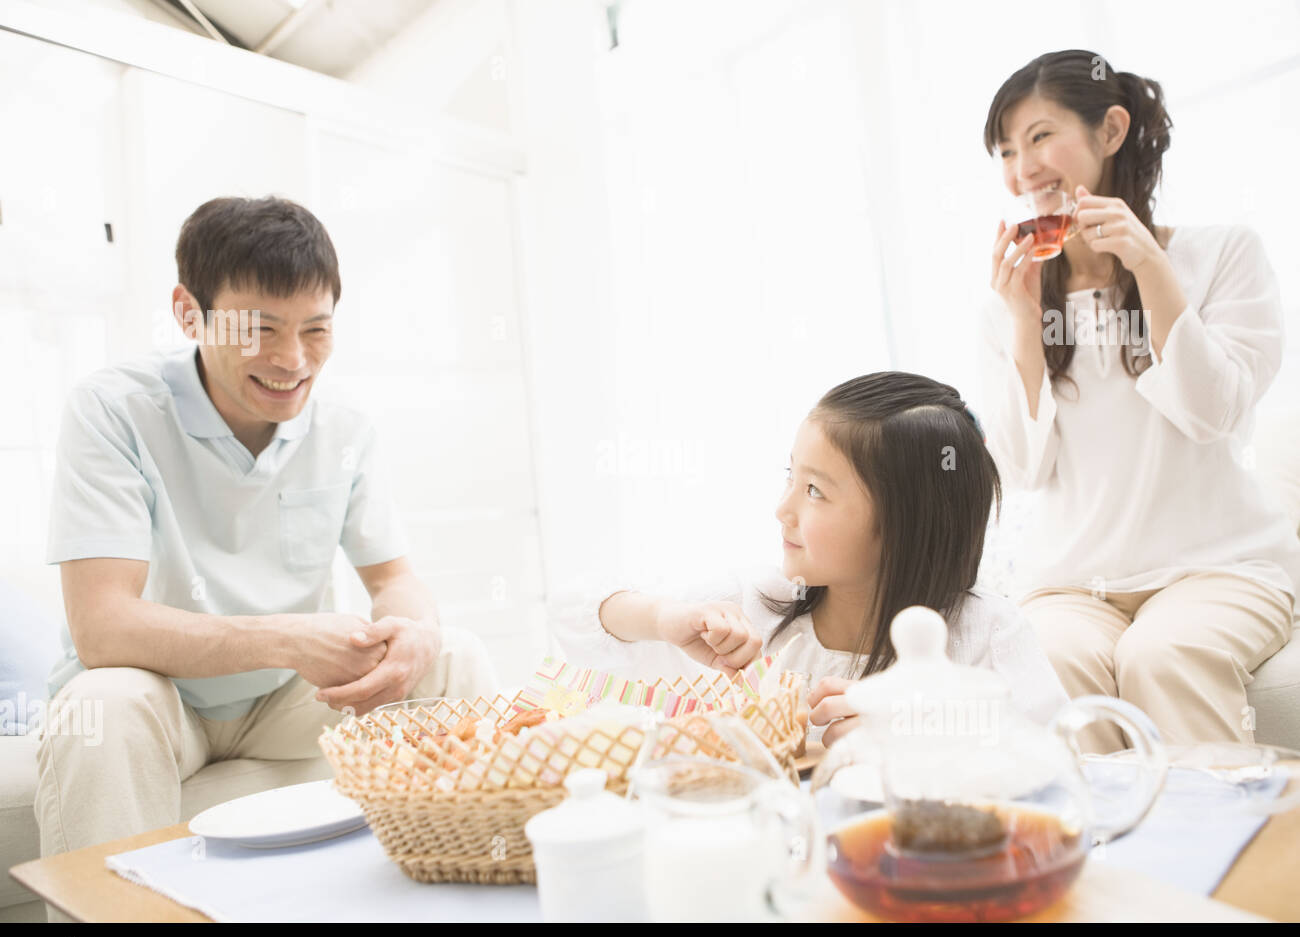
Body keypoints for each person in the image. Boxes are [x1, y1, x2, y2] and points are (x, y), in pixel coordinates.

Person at [35, 196, 498, 858]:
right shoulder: (114, 411)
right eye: (258, 330)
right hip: (160, 697)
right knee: (103, 708)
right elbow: (102, 627)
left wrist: (414, 633)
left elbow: (394, 578)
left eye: (316, 330)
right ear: (188, 313)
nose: (292, 362)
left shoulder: (343, 425)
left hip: (282, 700)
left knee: (455, 655)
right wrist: (287, 639)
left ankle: (476, 879)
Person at [980, 50, 1300, 753]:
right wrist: (1024, 328)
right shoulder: (1012, 299)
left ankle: (1236, 857)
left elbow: (1212, 411)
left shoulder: (1223, 256)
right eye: (1005, 149)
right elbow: (1022, 470)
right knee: (1049, 663)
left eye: (1038, 136)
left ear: (1112, 130)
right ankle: (1101, 855)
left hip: (1216, 565)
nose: (1020, 167)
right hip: (1072, 582)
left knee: (1162, 654)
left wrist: (1150, 267)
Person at [551, 372, 1069, 748]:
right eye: (790, 477)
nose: (783, 509)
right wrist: (662, 619)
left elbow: (1058, 768)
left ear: (907, 523)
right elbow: (578, 614)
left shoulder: (987, 638)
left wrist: (916, 739)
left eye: (816, 491)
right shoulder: (756, 609)